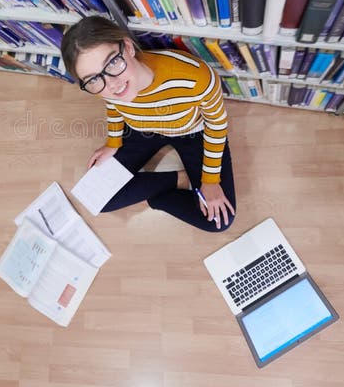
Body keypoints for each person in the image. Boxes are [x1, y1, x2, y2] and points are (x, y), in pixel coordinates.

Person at [60, 16, 236, 232]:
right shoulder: (103, 87)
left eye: (113, 62)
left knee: (219, 221)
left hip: (191, 131)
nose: (112, 84)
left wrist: (209, 180)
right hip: (141, 129)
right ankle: (182, 180)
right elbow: (113, 106)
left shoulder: (196, 76)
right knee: (95, 197)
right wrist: (113, 142)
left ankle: (168, 193)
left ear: (127, 46)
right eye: (94, 79)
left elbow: (216, 125)